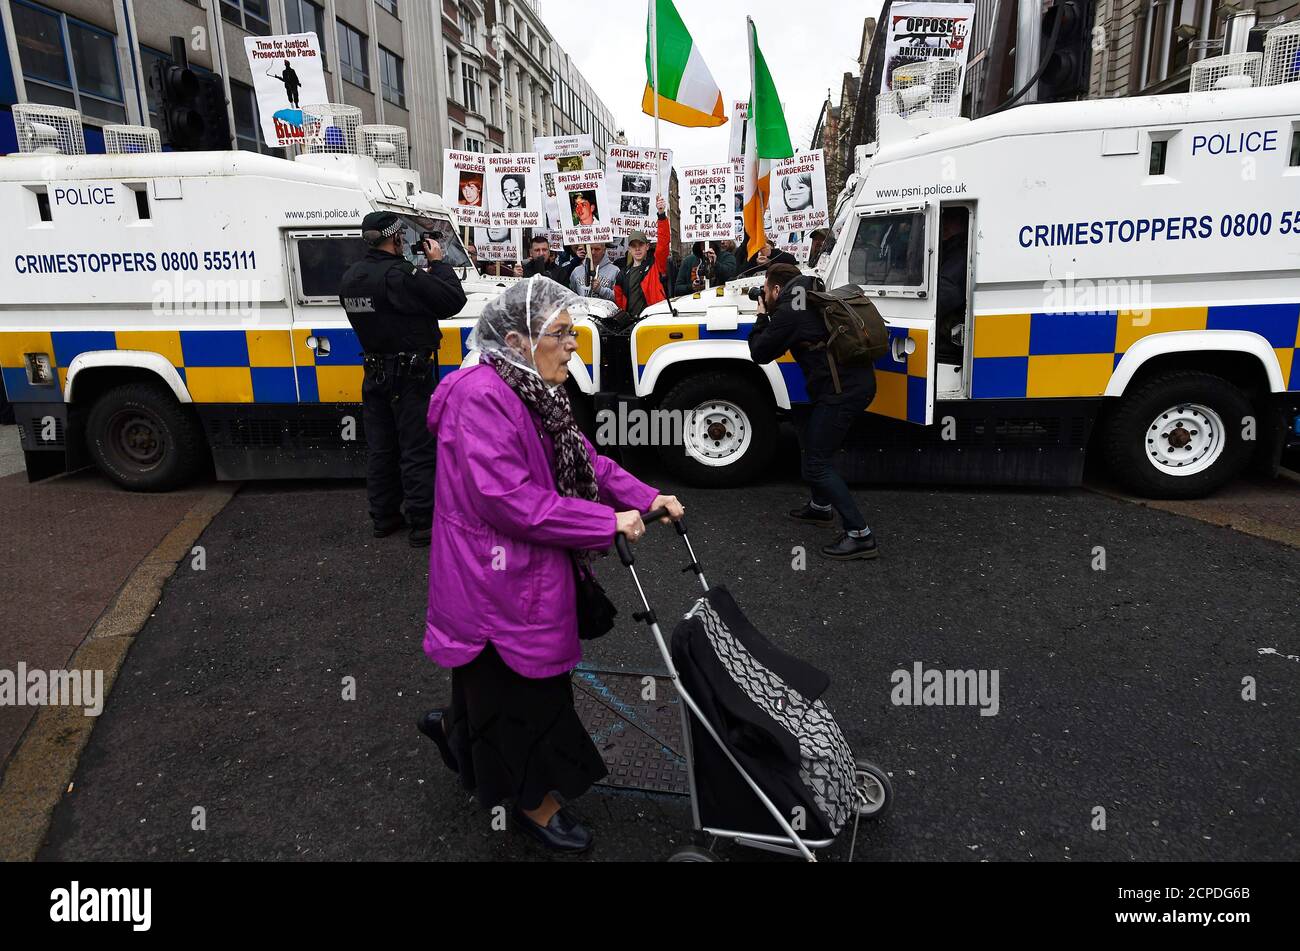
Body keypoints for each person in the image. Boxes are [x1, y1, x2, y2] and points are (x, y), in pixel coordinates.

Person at [418, 277, 684, 853]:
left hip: (519, 572)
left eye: (573, 333)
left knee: (499, 684)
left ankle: (458, 736)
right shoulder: (481, 396)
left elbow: (585, 460)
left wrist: (643, 496)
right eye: (561, 334)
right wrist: (602, 522)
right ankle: (533, 804)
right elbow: (507, 499)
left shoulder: (533, 390)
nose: (572, 346)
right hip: (494, 581)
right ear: (516, 341)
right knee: (525, 693)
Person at [339, 212, 468, 546]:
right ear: (395, 238)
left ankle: (383, 517)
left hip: (374, 372)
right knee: (417, 447)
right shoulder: (399, 275)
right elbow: (453, 300)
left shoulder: (351, 277)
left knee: (382, 448)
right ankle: (423, 522)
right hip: (409, 375)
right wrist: (437, 263)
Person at [747, 262, 879, 561]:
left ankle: (860, 535)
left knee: (817, 462)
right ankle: (820, 508)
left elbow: (760, 353)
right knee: (812, 442)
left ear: (777, 289)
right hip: (844, 387)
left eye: (765, 290)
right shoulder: (810, 295)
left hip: (841, 393)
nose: (764, 295)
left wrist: (760, 317)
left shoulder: (789, 311)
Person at [614, 195, 670, 320]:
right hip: (631, 325)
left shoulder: (656, 266)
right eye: (633, 246)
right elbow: (619, 301)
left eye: (641, 245)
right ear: (629, 249)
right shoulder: (622, 274)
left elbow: (663, 243)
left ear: (647, 247)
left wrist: (661, 215)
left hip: (653, 322)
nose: (637, 249)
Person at [936, 208, 969, 364]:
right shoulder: (947, 249)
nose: (944, 224)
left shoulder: (959, 254)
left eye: (951, 219)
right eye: (945, 219)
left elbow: (946, 293)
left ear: (962, 223)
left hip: (949, 343)